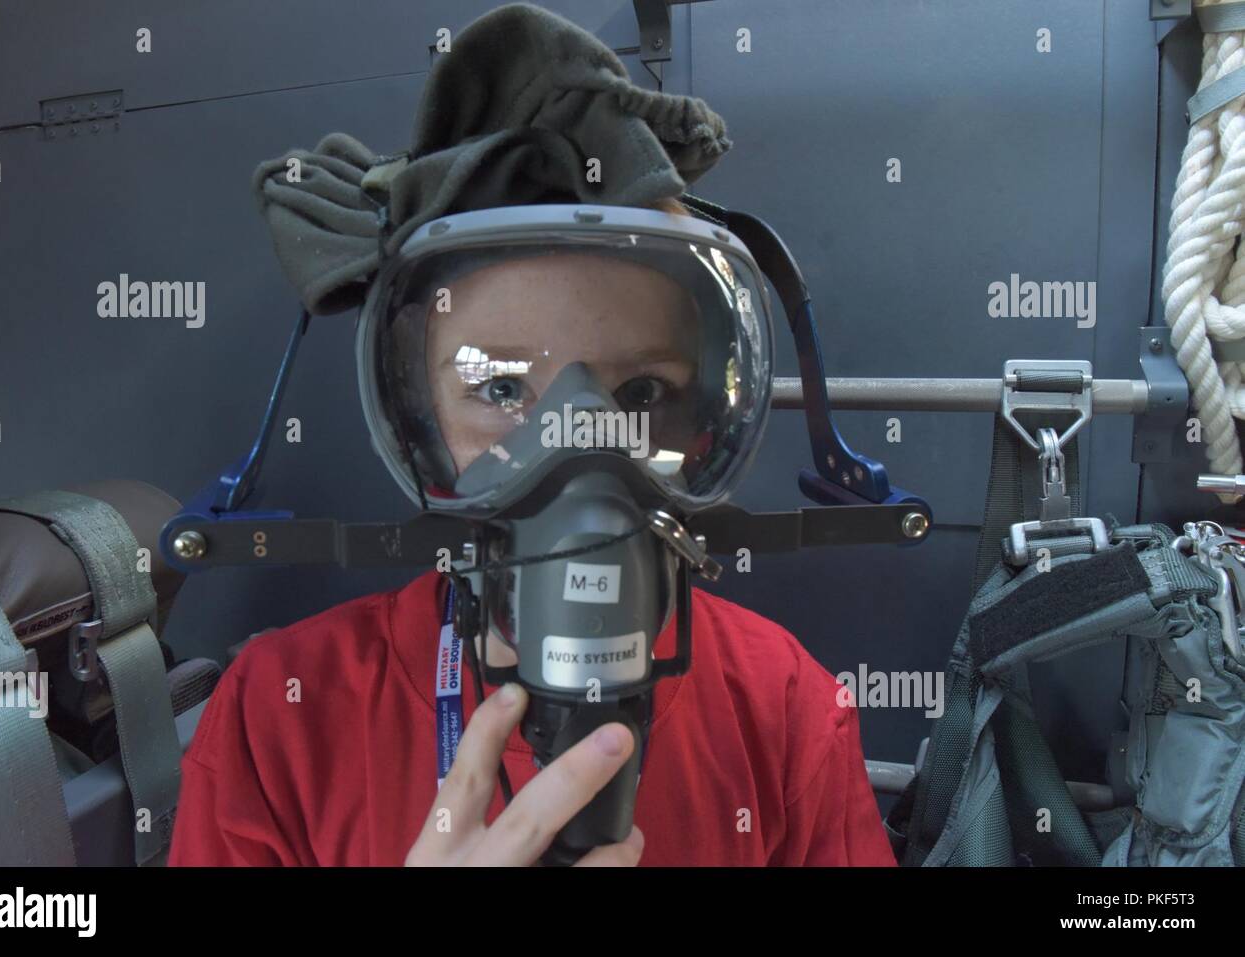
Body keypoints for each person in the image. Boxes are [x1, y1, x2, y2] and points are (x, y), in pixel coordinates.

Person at [167, 3, 896, 868]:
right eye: (503, 387)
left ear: (703, 423)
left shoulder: (784, 707)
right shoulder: (277, 721)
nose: (576, 443)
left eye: (641, 389)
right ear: (419, 422)